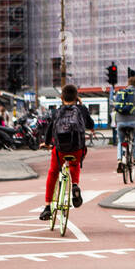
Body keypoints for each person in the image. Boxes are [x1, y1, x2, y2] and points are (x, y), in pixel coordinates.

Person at [40, 83, 94, 221]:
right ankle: (75, 185)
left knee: (53, 172)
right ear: (77, 97)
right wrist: (81, 106)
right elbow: (90, 124)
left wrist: (46, 143)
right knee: (74, 164)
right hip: (77, 149)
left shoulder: (57, 112)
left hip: (60, 151)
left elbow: (50, 130)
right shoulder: (81, 109)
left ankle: (47, 207)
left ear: (62, 97)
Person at [111, 73, 135, 169]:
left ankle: (119, 159)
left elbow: (115, 107)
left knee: (120, 141)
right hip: (133, 121)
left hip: (120, 122)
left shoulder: (120, 93)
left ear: (128, 83)